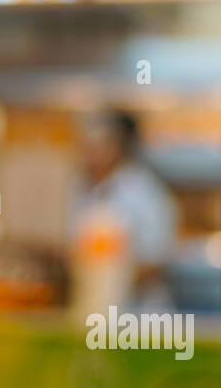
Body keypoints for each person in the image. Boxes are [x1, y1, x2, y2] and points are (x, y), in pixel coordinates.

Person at [67, 109, 178, 306]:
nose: (90, 155)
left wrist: (111, 284)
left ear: (118, 146)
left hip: (138, 313)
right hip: (94, 307)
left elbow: (156, 260)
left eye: (98, 147)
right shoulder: (84, 191)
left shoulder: (145, 193)